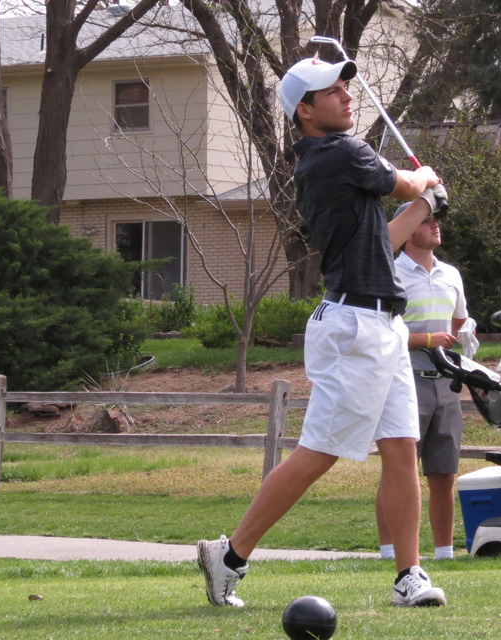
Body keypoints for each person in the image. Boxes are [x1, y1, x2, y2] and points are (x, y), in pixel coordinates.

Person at [196, 56, 447, 608]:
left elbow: (385, 235)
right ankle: (230, 556)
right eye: (332, 92)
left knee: (403, 448)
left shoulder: (332, 159)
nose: (347, 96)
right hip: (354, 327)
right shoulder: (340, 152)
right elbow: (406, 183)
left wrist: (429, 203)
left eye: (345, 88)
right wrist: (426, 184)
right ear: (305, 111)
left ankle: (409, 576)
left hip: (381, 322)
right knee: (320, 452)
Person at [375, 202, 468, 561]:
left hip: (445, 380)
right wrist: (426, 341)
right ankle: (390, 551)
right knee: (400, 467)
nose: (434, 226)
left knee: (444, 471)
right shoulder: (391, 273)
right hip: (405, 378)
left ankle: (445, 553)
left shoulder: (451, 274)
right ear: (409, 227)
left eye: (435, 221)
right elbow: (383, 330)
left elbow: (457, 322)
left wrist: (452, 340)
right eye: (426, 220)